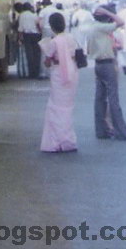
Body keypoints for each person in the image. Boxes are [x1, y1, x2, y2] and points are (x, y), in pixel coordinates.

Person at [85, 4, 126, 140]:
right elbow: (120, 22)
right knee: (113, 98)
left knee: (99, 99)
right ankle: (122, 131)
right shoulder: (102, 27)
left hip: (98, 64)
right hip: (107, 64)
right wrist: (108, 12)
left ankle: (101, 130)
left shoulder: (92, 26)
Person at [38, 13, 79, 152]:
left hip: (58, 73)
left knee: (56, 106)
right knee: (68, 106)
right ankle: (68, 140)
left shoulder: (54, 42)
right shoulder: (71, 38)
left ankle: (56, 141)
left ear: (51, 26)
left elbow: (47, 62)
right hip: (72, 72)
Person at [19, 2, 42, 78]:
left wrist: (20, 38)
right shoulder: (34, 15)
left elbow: (20, 28)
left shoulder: (21, 15)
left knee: (29, 54)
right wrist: (40, 32)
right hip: (35, 35)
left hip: (26, 36)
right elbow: (38, 25)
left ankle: (31, 72)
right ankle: (37, 72)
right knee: (36, 54)